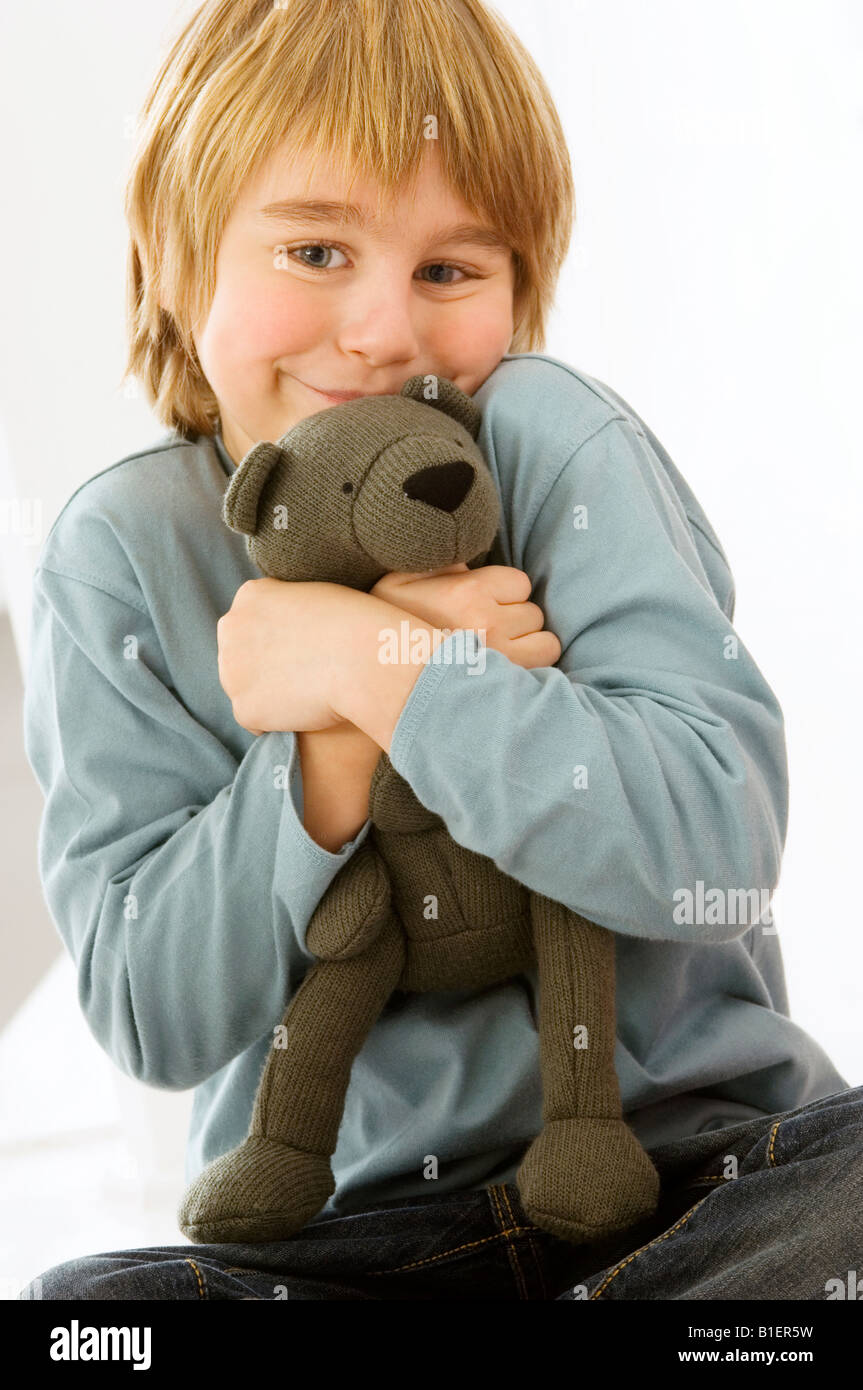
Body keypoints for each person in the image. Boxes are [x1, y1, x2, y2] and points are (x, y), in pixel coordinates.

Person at [18, 0, 860, 1301]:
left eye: (450, 272)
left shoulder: (553, 441)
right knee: (88, 1323)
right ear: (179, 264)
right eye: (313, 249)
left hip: (703, 1175)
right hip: (344, 1247)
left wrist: (389, 668)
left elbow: (718, 844)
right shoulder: (120, 551)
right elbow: (150, 1009)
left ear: (518, 291)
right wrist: (331, 749)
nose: (381, 331)